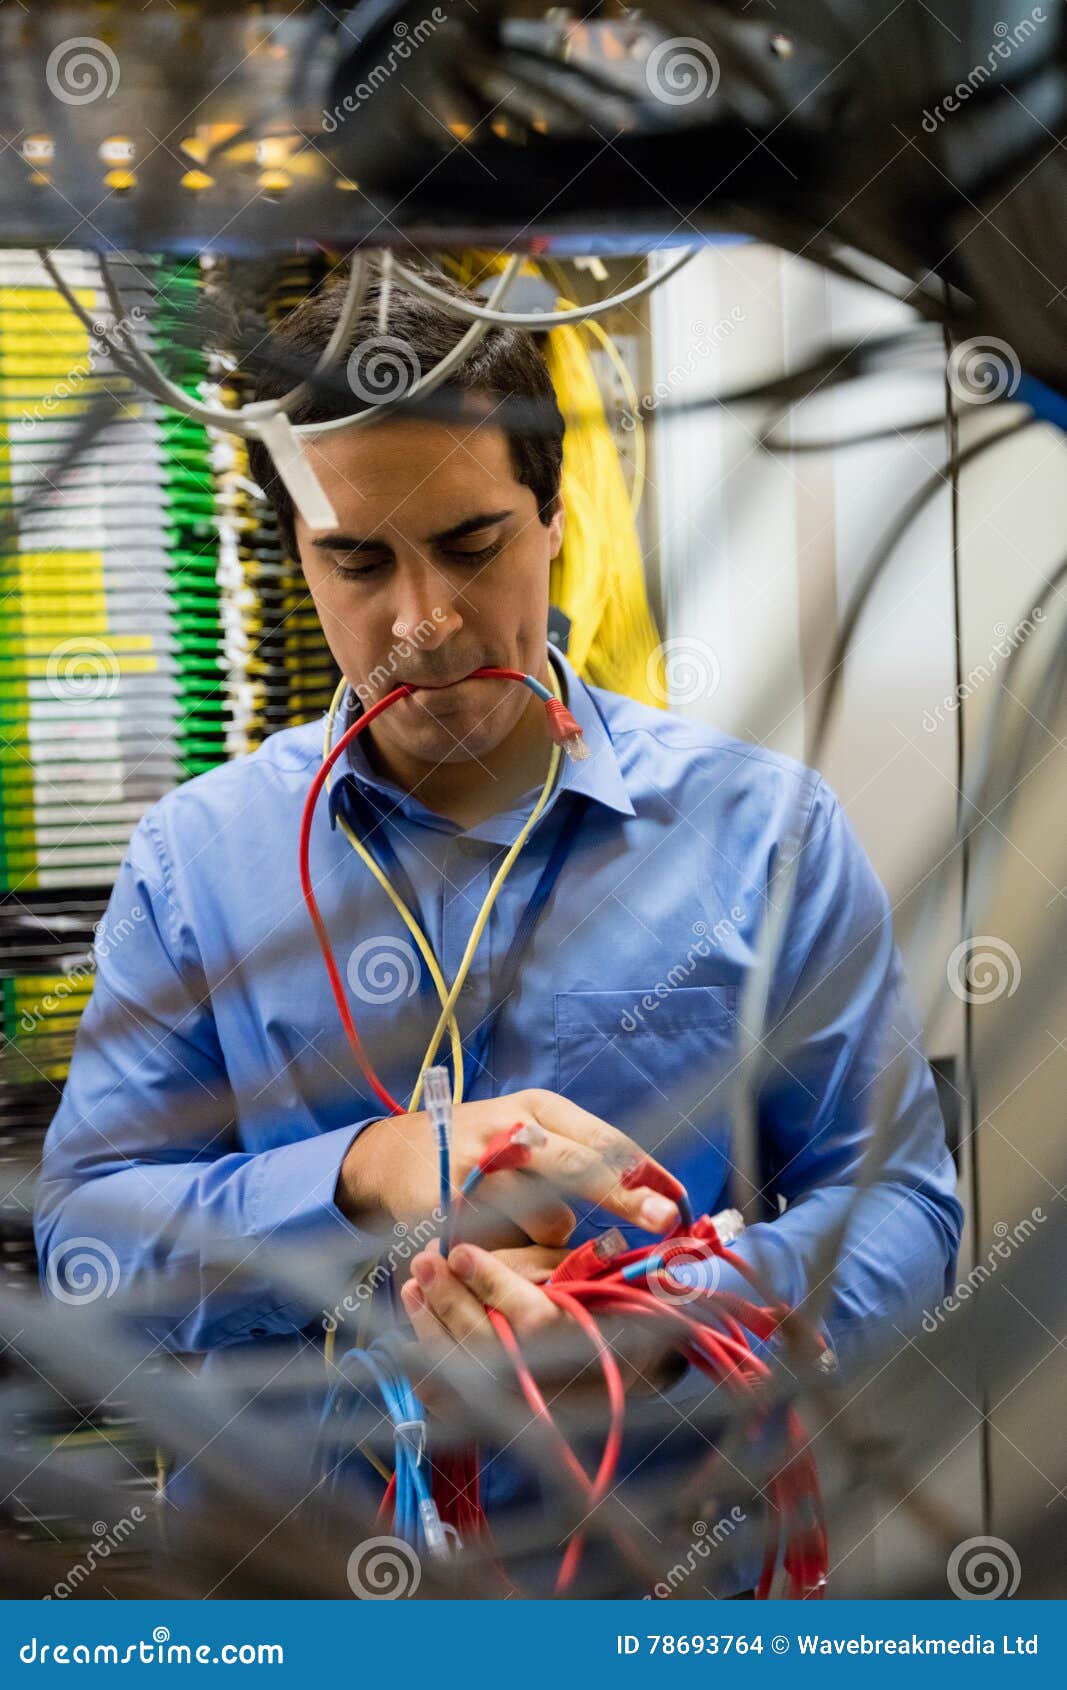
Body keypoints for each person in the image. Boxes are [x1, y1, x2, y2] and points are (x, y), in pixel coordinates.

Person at [34, 261, 962, 1594]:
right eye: (358, 560)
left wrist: (666, 1324)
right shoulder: (199, 863)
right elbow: (85, 1240)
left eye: (471, 546)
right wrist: (363, 1175)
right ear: (299, 552)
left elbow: (907, 1212)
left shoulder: (767, 835)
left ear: (555, 517)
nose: (423, 623)